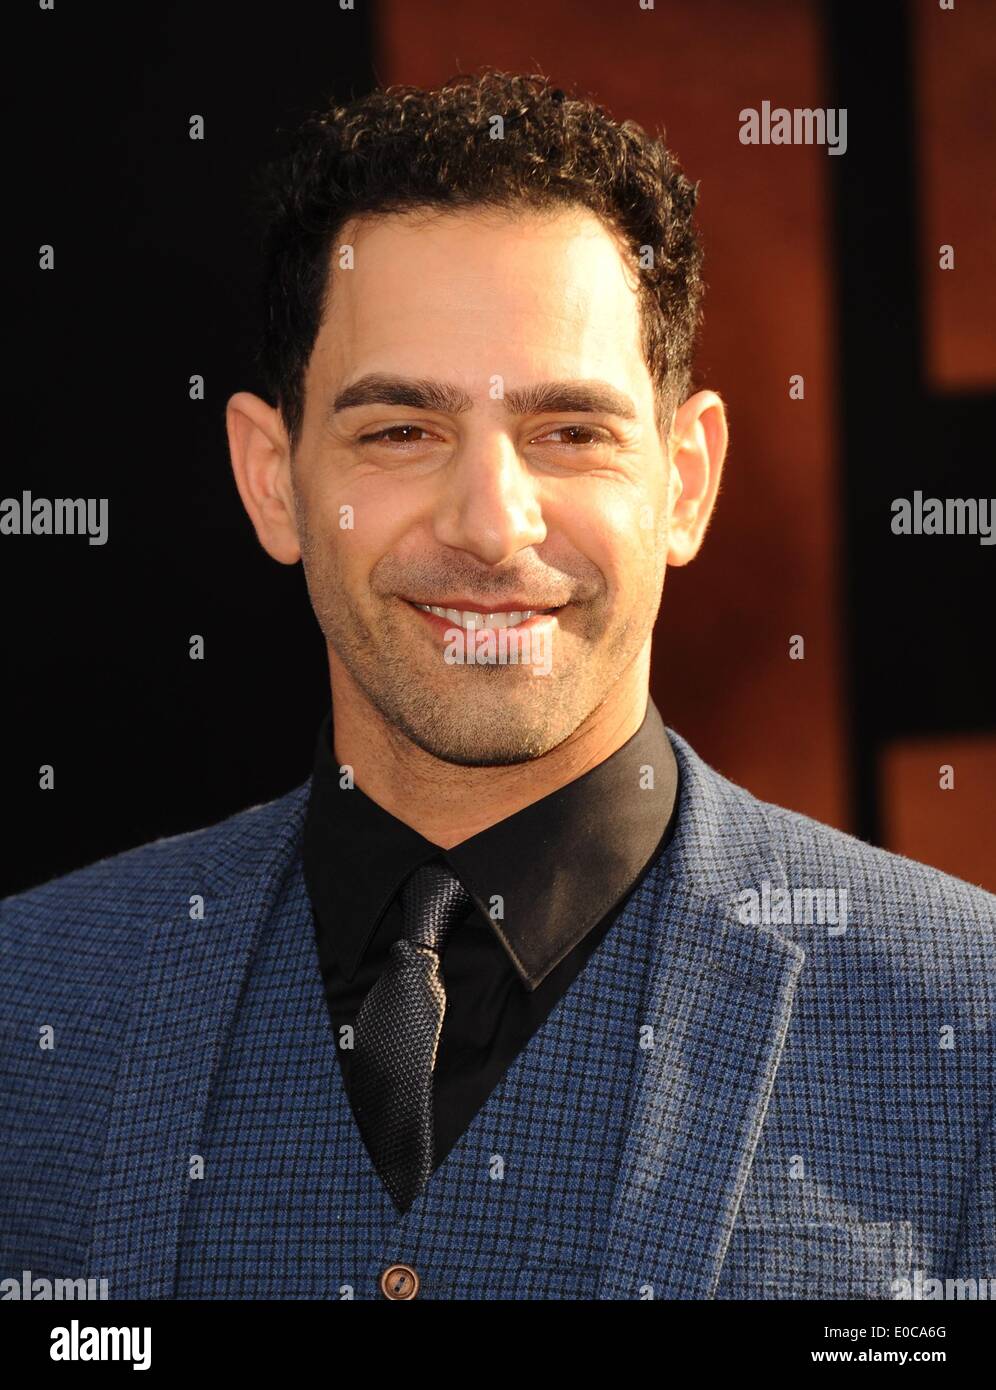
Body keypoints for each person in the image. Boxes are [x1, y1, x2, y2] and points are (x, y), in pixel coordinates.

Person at [1, 70, 992, 1302]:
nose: (489, 522)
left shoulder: (968, 1030)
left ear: (684, 482)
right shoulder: (29, 1000)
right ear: (273, 479)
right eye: (401, 430)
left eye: (571, 430)